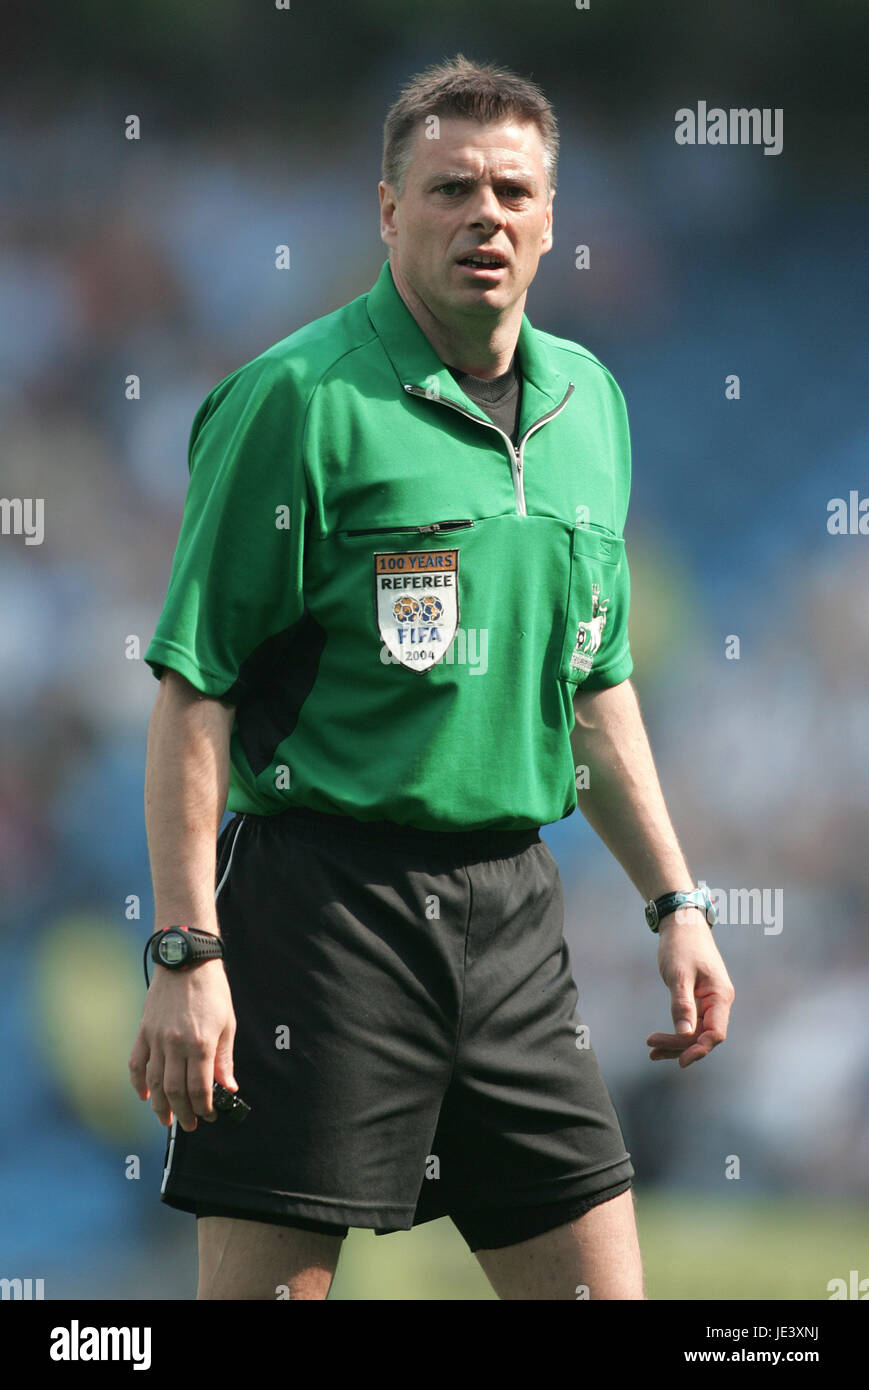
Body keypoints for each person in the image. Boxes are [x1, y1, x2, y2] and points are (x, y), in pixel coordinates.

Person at [129, 53, 734, 1301]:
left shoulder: (591, 405)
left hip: (514, 913)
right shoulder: (293, 399)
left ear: (552, 217)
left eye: (513, 190)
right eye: (451, 188)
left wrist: (675, 902)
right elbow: (197, 688)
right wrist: (187, 952)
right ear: (388, 210)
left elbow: (592, 685)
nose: (487, 215)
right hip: (318, 909)